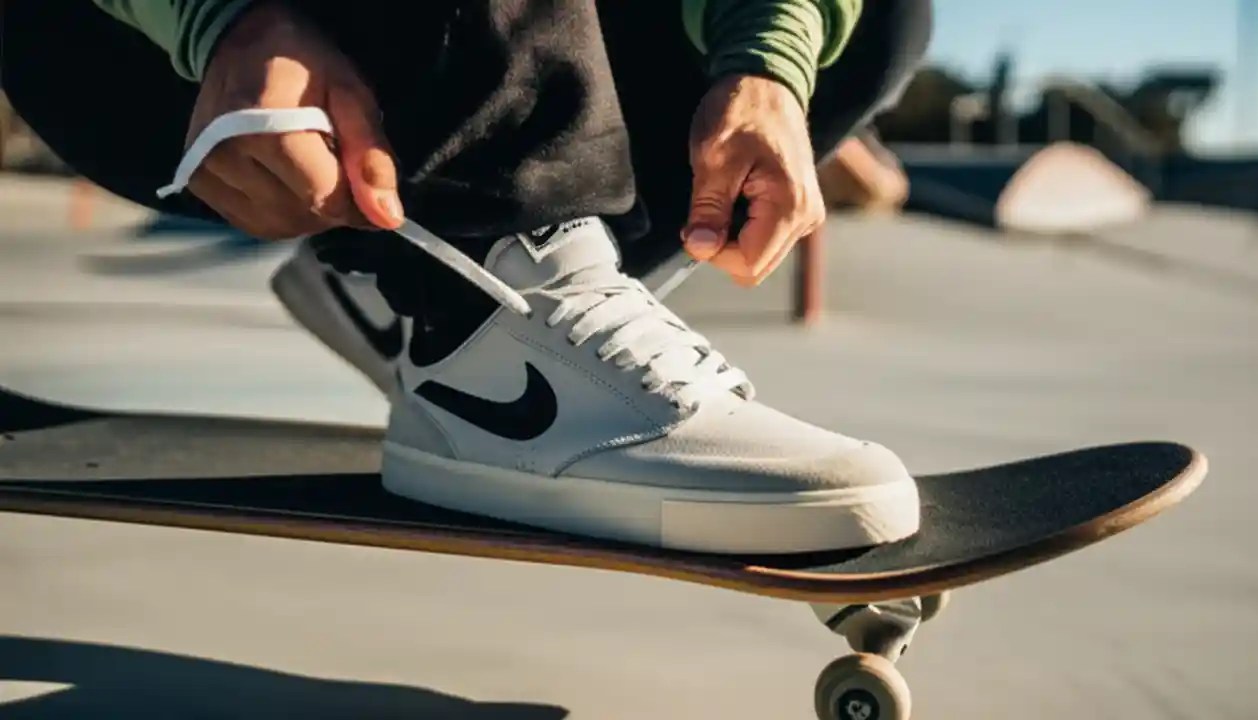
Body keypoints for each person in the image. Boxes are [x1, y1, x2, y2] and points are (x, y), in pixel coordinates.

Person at [1, 0, 932, 554]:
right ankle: (487, 297)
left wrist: (767, 63)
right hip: (135, 48)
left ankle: (447, 300)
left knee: (878, 18)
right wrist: (218, 17)